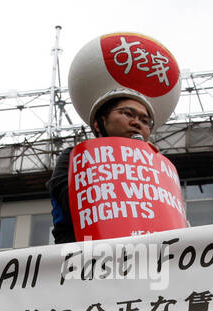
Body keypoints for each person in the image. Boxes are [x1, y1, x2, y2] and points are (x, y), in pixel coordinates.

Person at [47, 95, 155, 244]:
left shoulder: (155, 166)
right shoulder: (73, 157)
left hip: (148, 257)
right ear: (99, 123)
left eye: (145, 121)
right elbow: (74, 204)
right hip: (85, 258)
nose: (136, 123)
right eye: (128, 114)